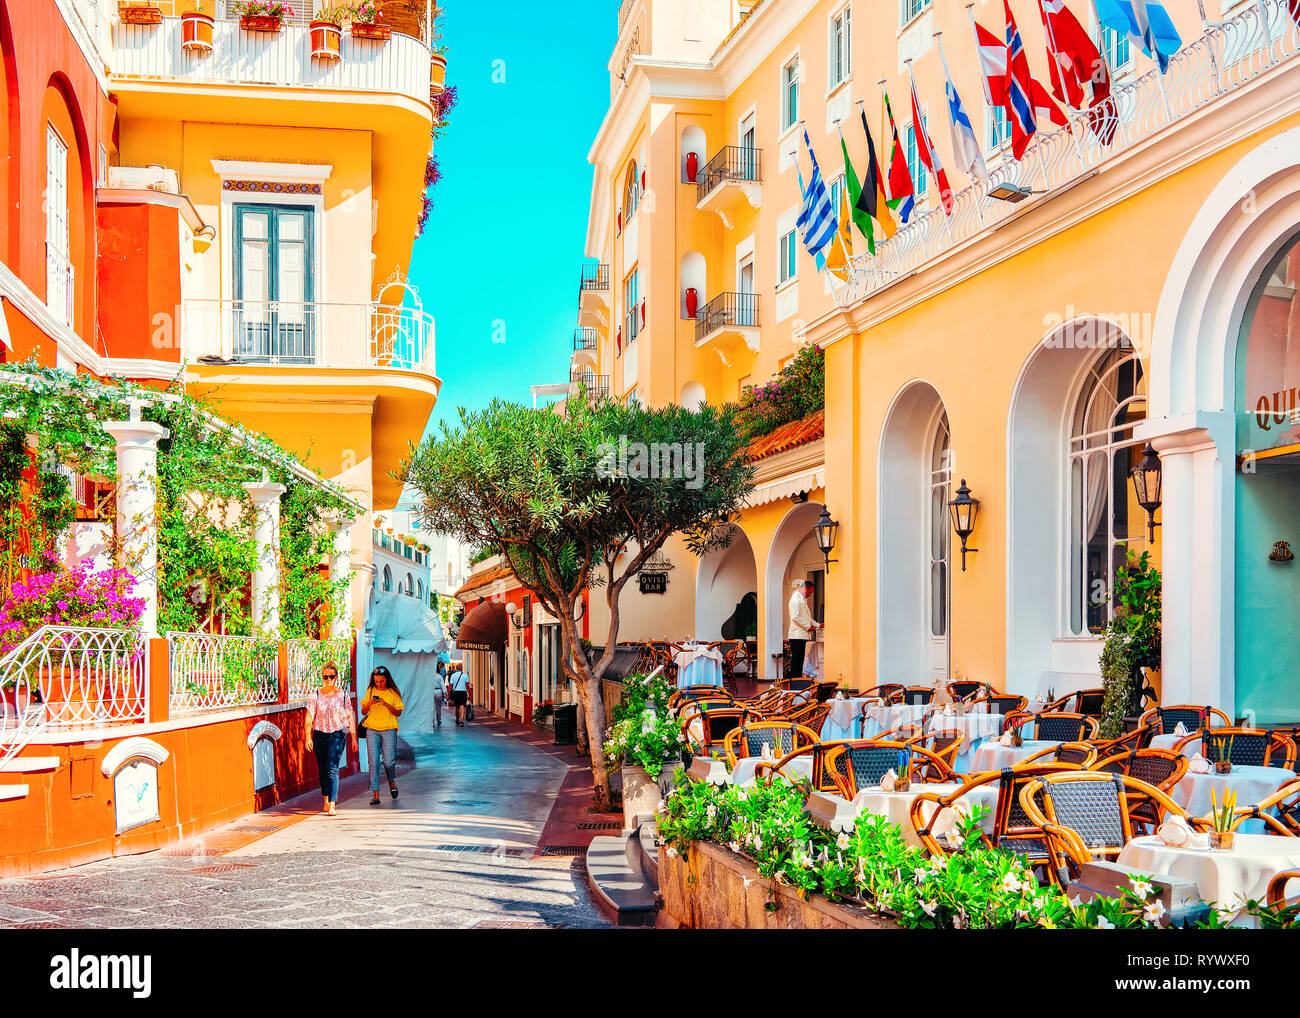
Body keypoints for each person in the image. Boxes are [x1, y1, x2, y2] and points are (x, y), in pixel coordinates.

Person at [305, 663, 357, 817]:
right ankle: (326, 797)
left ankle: (333, 803)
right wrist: (308, 735)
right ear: (322, 677)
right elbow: (309, 717)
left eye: (331, 676)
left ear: (336, 677)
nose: (328, 679)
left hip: (337, 734)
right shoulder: (315, 695)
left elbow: (350, 716)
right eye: (325, 677)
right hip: (320, 734)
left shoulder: (343, 696)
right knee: (322, 769)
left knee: (332, 767)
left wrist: (353, 738)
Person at [360, 666, 404, 806]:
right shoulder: (370, 691)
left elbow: (398, 712)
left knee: (388, 762)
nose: (379, 684)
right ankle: (376, 794)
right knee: (373, 762)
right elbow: (363, 711)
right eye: (377, 681)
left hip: (389, 729)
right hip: (372, 729)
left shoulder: (393, 692)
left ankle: (391, 781)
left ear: (387, 679)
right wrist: (369, 703)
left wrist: (385, 704)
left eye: (381, 681)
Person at [787, 578, 820, 680]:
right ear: (805, 588)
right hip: (796, 636)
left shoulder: (801, 600)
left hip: (801, 635)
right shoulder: (795, 600)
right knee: (796, 661)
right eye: (809, 592)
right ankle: (794, 683)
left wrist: (818, 625)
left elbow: (806, 617)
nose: (810, 595)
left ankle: (797, 682)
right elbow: (795, 617)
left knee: (799, 661)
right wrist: (808, 627)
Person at [431, 659, 446, 728]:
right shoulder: (439, 677)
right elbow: (443, 686)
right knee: (438, 707)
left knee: (432, 707)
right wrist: (445, 693)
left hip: (431, 692)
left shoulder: (429, 676)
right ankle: (439, 719)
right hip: (438, 692)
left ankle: (432, 720)